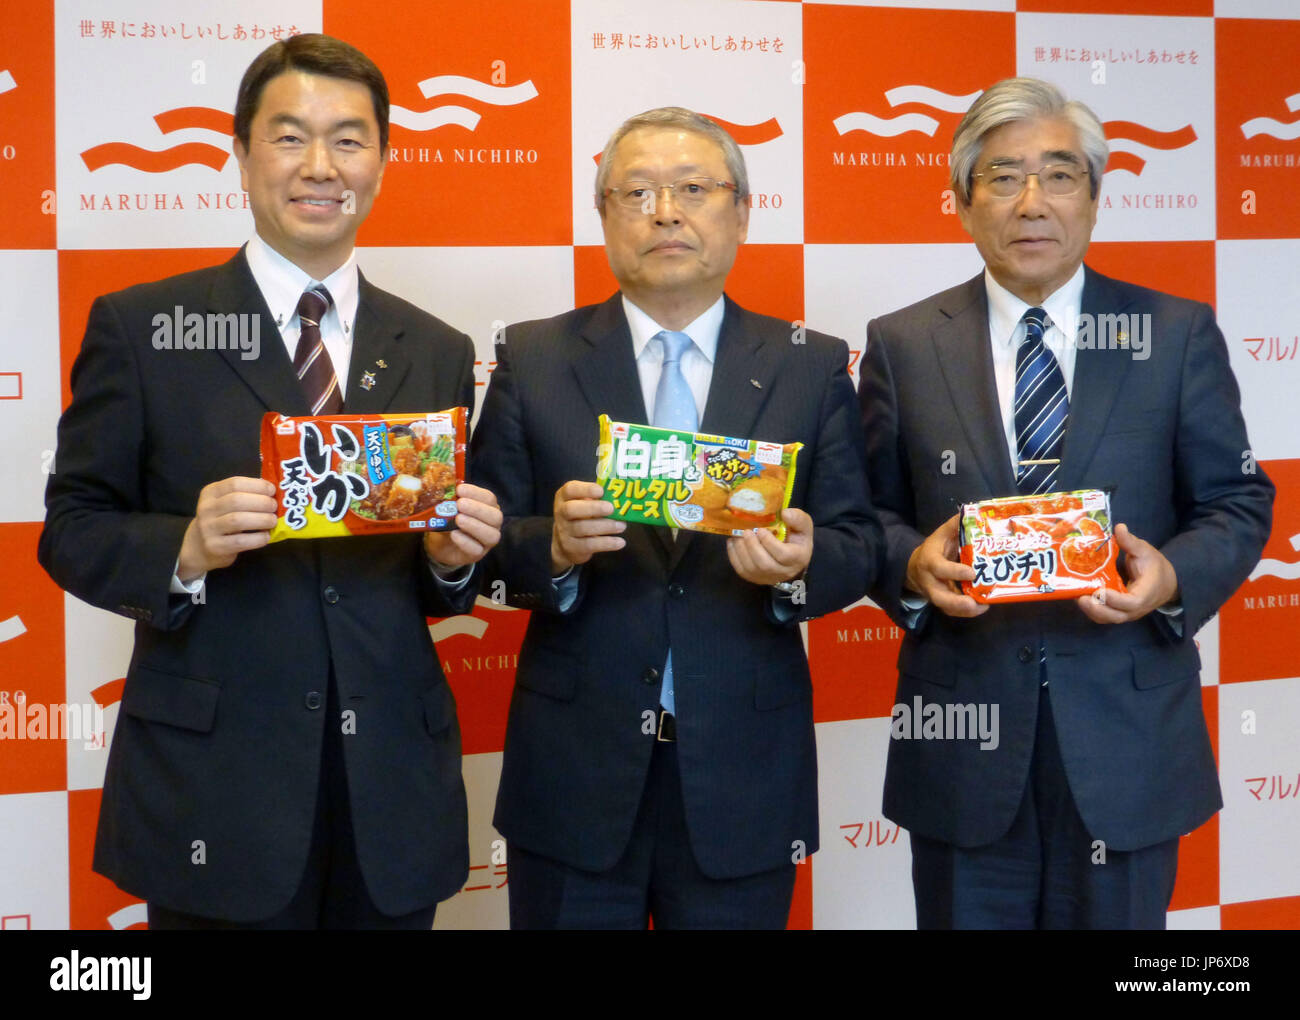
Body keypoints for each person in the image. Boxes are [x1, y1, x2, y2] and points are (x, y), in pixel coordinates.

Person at [38, 34, 502, 929]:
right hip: (217, 788)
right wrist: (184, 545)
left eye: (349, 139)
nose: (320, 166)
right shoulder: (145, 327)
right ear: (241, 154)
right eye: (289, 137)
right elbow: (72, 527)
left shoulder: (437, 348)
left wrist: (449, 561)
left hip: (390, 791)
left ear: (384, 158)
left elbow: (438, 584)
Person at [857, 77, 1274, 929]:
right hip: (961, 744)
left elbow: (1237, 500)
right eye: (1004, 177)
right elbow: (861, 518)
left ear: (1094, 196)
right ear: (964, 201)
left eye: (1060, 174)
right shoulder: (901, 343)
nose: (1033, 201)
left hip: (1126, 744)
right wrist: (908, 561)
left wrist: (1171, 578)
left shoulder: (1177, 332)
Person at [471, 107, 879, 929]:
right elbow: (476, 543)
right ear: (604, 215)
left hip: (744, 776)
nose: (666, 212)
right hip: (574, 772)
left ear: (741, 211)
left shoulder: (810, 362)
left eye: (694, 188)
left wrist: (802, 565)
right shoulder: (533, 357)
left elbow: (859, 541)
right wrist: (547, 546)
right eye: (639, 191)